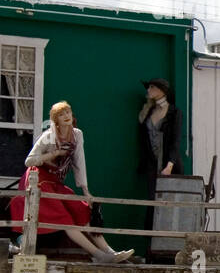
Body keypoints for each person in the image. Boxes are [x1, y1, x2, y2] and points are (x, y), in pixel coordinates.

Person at [10, 101, 133, 263]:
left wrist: (86, 190)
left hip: (55, 181)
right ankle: (99, 255)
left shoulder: (77, 134)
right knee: (65, 220)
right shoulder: (49, 136)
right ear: (56, 120)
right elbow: (29, 161)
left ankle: (110, 252)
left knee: (81, 210)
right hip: (38, 179)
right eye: (61, 114)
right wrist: (54, 154)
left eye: (68, 112)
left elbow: (78, 163)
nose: (66, 116)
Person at [137, 77, 183, 227]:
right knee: (152, 200)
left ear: (161, 91)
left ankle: (168, 239)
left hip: (169, 165)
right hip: (152, 164)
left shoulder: (174, 112)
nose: (148, 90)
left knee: (169, 201)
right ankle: (152, 241)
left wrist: (170, 165)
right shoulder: (148, 111)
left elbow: (175, 141)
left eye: (152, 87)